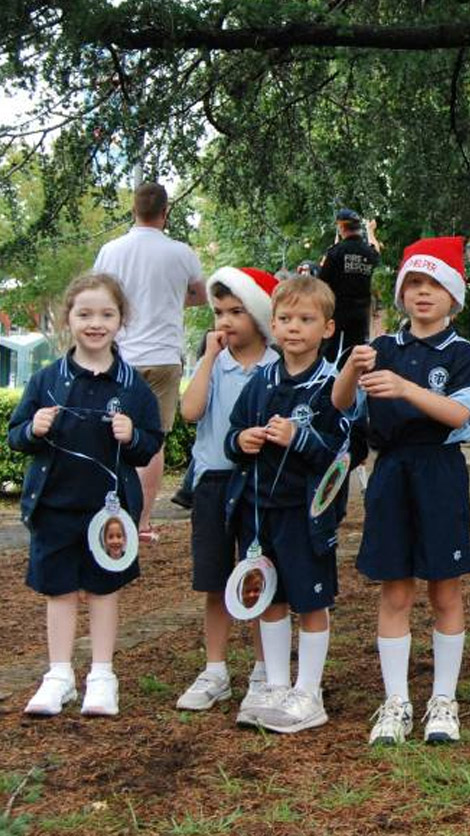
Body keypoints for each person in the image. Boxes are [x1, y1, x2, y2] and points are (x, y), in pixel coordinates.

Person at [333, 236, 470, 747]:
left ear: (454, 296)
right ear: (401, 294)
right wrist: (351, 369)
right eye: (414, 284)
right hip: (391, 471)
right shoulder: (382, 348)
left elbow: (462, 414)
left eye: (435, 284)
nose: (423, 294)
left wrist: (404, 389)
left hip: (440, 471)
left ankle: (444, 700)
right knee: (395, 588)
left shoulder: (461, 352)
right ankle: (396, 700)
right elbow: (341, 404)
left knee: (445, 587)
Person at [12, 273, 164, 717]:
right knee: (59, 591)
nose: (95, 323)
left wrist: (133, 434)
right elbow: (16, 436)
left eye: (106, 314)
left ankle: (102, 674)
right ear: (68, 319)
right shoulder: (47, 380)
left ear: (120, 321)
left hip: (109, 514)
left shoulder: (132, 385)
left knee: (103, 589)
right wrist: (33, 429)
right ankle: (59, 675)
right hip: (55, 507)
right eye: (84, 314)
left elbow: (151, 443)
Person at [224, 276, 348, 734]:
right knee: (269, 597)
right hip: (258, 511)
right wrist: (244, 439)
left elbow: (343, 452)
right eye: (284, 319)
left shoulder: (332, 386)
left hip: (306, 514)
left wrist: (300, 439)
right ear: (272, 326)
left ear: (328, 328)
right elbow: (231, 437)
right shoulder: (260, 382)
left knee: (310, 600)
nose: (293, 328)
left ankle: (308, 691)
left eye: (305, 319)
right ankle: (275, 684)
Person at [174, 267, 280, 716]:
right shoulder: (214, 364)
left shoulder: (277, 367)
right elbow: (190, 411)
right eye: (219, 312)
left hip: (258, 483)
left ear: (259, 314)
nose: (226, 321)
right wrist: (207, 358)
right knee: (215, 580)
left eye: (237, 311)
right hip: (214, 480)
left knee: (256, 578)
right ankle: (215, 669)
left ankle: (262, 668)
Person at [93, 182, 206, 541]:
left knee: (111, 433)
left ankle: (109, 516)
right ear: (165, 212)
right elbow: (201, 295)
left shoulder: (111, 251)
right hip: (163, 355)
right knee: (152, 438)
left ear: (133, 210)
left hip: (119, 353)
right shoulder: (181, 253)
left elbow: (97, 294)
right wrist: (174, 299)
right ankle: (141, 521)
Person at [318, 209, 381, 363]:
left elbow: (321, 281)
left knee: (331, 353)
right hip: (361, 312)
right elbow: (376, 250)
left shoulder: (335, 252)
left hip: (338, 311)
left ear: (342, 228)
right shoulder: (368, 252)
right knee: (356, 352)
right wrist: (371, 231)